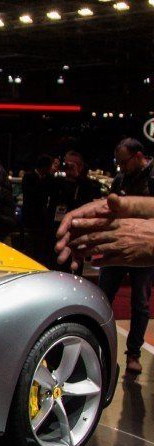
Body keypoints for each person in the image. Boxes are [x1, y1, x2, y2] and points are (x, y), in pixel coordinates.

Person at [92, 139, 153, 375]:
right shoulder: (120, 180)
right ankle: (98, 347)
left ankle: (134, 354)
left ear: (138, 156)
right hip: (117, 249)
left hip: (145, 250)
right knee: (103, 297)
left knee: (140, 303)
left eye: (123, 162)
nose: (120, 167)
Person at [21, 153, 56, 265]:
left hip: (44, 220)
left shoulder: (50, 178)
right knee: (30, 248)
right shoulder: (28, 177)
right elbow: (31, 195)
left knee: (42, 249)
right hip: (30, 218)